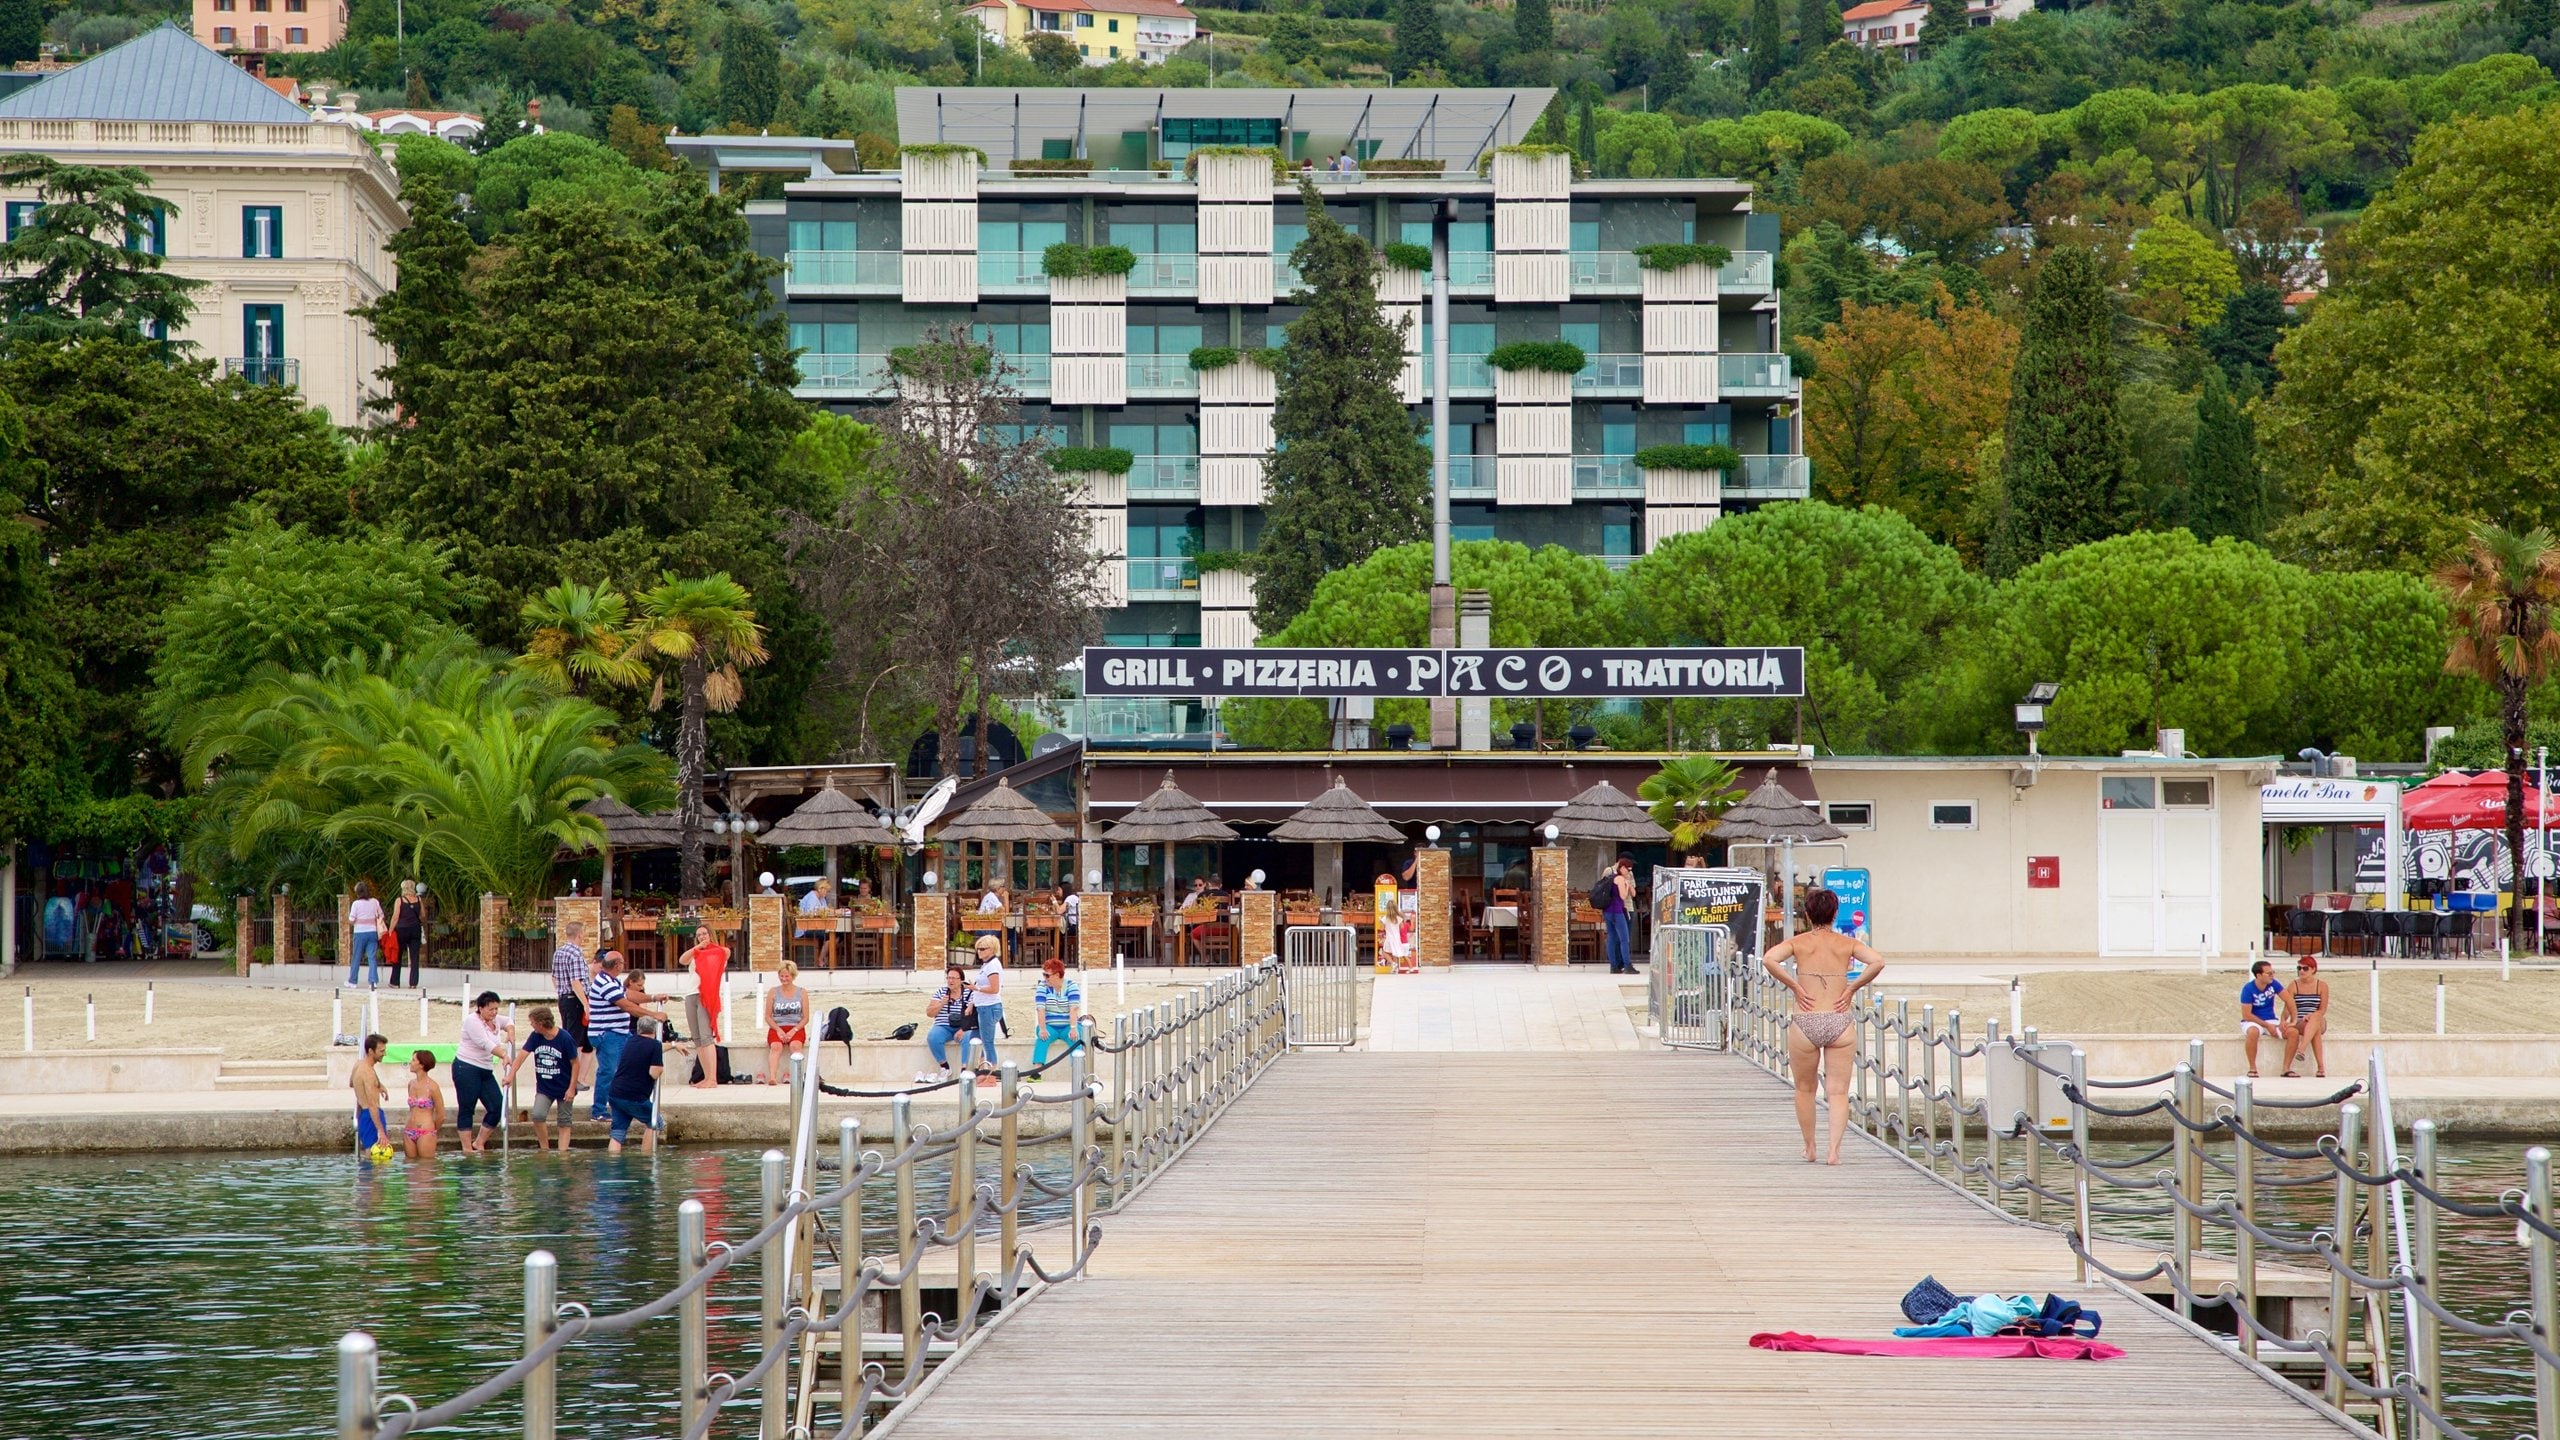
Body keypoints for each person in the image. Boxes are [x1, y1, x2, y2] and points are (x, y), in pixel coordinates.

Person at [1761, 888, 1887, 1166]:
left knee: (1805, 1089)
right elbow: (1877, 961)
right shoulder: (1846, 943)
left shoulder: (1799, 942)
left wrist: (1794, 985)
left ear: (1807, 914)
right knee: (1838, 1091)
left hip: (1806, 1019)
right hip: (1838, 1019)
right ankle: (1834, 1151)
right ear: (1835, 913)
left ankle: (1810, 1148)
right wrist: (1853, 987)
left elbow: (1769, 958)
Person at [584, 950, 666, 1121]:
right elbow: (626, 1005)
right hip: (607, 1034)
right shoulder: (605, 982)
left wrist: (653, 997)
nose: (623, 967)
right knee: (608, 1071)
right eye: (622, 963)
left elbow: (629, 995)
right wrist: (653, 1015)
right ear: (617, 965)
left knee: (629, 1067)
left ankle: (624, 1103)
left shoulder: (611, 980)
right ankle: (598, 1111)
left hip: (619, 1034)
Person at [507, 1005, 578, 1152]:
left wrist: (572, 1088)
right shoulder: (535, 1037)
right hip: (545, 1087)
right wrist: (511, 1074)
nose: (531, 1025)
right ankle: (544, 1149)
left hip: (564, 1086)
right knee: (538, 1115)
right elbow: (521, 1056)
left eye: (532, 1022)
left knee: (564, 1121)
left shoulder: (565, 1038)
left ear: (540, 1023)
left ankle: (563, 1153)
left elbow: (576, 1063)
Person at [452, 990, 513, 1155]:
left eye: (496, 1009)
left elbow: (509, 1021)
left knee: (497, 1106)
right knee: (467, 1107)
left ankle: (479, 1142)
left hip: (485, 1069)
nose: (494, 1013)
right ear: (480, 1008)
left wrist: (510, 1034)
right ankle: (466, 1148)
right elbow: (484, 1043)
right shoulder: (472, 1021)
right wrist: (504, 1055)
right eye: (490, 1009)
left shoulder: (495, 1020)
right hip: (466, 1067)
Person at [607, 1017, 667, 1155]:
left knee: (617, 1133)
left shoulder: (630, 1041)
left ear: (639, 1029)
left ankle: (613, 1165)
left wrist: (674, 1045)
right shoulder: (655, 1045)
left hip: (615, 1093)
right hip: (634, 1096)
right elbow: (654, 1073)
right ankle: (646, 1159)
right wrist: (660, 1069)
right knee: (655, 1123)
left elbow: (645, 1050)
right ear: (654, 1030)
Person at [551, 931, 593, 1101]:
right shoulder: (575, 953)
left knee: (569, 1036)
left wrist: (560, 993)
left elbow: (554, 977)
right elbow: (576, 982)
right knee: (575, 1041)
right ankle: (572, 1080)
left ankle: (571, 1078)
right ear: (579, 935)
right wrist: (586, 1003)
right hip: (575, 1000)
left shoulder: (558, 952)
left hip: (564, 999)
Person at [917, 963, 976, 1084]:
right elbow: (929, 1013)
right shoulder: (941, 992)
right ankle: (945, 1067)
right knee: (933, 1037)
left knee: (968, 1037)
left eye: (954, 978)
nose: (951, 981)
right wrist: (941, 1004)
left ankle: (965, 1069)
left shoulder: (969, 993)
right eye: (949, 978)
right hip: (943, 1025)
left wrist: (963, 1029)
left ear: (961, 980)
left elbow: (973, 1014)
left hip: (962, 1026)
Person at [2239, 959, 2290, 1078]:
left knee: (2292, 1032)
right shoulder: (2248, 989)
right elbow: (2246, 1015)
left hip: (2271, 1019)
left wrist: (2285, 1020)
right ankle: (2252, 1067)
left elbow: (2289, 1000)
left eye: (2273, 972)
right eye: (2269, 973)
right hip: (2252, 1021)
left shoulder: (2274, 984)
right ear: (2258, 975)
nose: (2272, 976)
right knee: (2253, 1032)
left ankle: (2286, 1068)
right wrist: (2267, 1025)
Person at [1030, 955, 1083, 1069]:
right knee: (1042, 1038)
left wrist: (1073, 1028)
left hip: (1068, 1025)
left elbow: (1073, 1008)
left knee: (1076, 1039)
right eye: (1044, 975)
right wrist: (1043, 1028)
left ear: (1057, 975)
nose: (1045, 978)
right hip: (1050, 1026)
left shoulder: (1071, 986)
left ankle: (1078, 1069)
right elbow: (1040, 1008)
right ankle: (1037, 1070)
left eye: (1047, 975)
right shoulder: (1042, 987)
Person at [764, 959, 811, 1084]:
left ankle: (797, 1076)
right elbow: (768, 1016)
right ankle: (773, 1076)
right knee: (776, 1046)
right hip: (777, 1026)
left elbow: (806, 1017)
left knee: (795, 1046)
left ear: (793, 976)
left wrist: (793, 1030)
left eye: (787, 976)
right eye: (782, 976)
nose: (784, 979)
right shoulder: (773, 992)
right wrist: (778, 1030)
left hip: (796, 1026)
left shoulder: (802, 992)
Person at [2283, 957, 2331, 1078]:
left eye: (2305, 968)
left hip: (2317, 1018)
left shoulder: (2322, 986)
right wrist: (2283, 1020)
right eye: (2299, 968)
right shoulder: (2293, 985)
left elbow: (2322, 1010)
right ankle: (2320, 1067)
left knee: (2315, 1020)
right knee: (2315, 1030)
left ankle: (2301, 1049)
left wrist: (2311, 1015)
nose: (2301, 971)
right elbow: (2288, 1008)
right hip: (2300, 1021)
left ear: (2313, 969)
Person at [968, 932, 1007, 1078]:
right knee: (978, 1038)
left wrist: (975, 988)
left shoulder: (992, 966)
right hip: (983, 1006)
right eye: (978, 949)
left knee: (987, 1041)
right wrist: (972, 1002)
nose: (979, 952)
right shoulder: (987, 965)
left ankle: (991, 1070)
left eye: (983, 949)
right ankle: (984, 1066)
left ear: (991, 949)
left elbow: (994, 988)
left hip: (989, 1007)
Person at [352, 1033, 392, 1160]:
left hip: (364, 1116)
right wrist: (381, 1132)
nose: (384, 1054)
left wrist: (378, 1085)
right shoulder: (368, 1073)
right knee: (376, 1157)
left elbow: (351, 1083)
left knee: (370, 1160)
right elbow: (372, 1105)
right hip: (372, 1116)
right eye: (381, 1051)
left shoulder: (359, 1065)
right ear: (370, 1051)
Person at [403, 1051, 445, 1160]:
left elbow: (441, 1115)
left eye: (413, 1060)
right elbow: (412, 1110)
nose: (410, 1063)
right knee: (410, 1167)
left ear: (421, 1065)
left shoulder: (433, 1087)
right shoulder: (411, 1084)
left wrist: (432, 1130)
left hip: (426, 1132)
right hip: (409, 1130)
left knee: (425, 1167)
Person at [1601, 855, 1638, 974]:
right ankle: (1627, 965)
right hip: (1617, 911)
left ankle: (1613, 966)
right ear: (1621, 867)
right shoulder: (1620, 879)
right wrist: (1627, 886)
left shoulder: (1611, 878)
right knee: (1624, 939)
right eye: (1628, 869)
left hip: (1607, 911)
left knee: (1611, 937)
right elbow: (1623, 896)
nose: (1629, 871)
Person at [347, 881, 386, 987]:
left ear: (357, 893)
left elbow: (351, 919)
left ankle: (353, 981)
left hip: (359, 933)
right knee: (372, 957)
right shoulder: (374, 902)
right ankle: (373, 981)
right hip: (372, 932)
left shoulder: (356, 904)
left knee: (357, 957)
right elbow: (381, 915)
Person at [392, 881, 425, 988]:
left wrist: (390, 930)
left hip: (402, 930)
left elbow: (395, 917)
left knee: (398, 956)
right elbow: (423, 915)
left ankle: (395, 982)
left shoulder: (399, 900)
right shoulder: (418, 899)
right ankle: (413, 983)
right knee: (414, 957)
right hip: (415, 929)